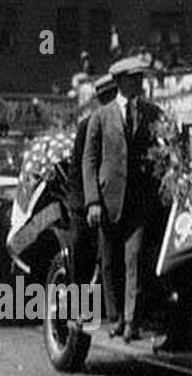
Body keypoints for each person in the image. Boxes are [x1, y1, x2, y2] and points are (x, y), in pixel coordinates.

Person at [82, 55, 166, 341]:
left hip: (139, 201)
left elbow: (172, 145)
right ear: (119, 81)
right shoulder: (101, 116)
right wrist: (93, 201)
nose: (139, 83)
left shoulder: (152, 113)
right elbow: (89, 160)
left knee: (135, 259)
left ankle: (132, 321)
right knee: (109, 262)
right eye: (134, 78)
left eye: (140, 78)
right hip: (108, 201)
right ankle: (115, 316)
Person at [65, 74, 116, 291]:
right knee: (81, 252)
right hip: (86, 203)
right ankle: (79, 305)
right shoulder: (88, 126)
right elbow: (80, 168)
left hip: (112, 201)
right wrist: (86, 205)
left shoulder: (121, 124)